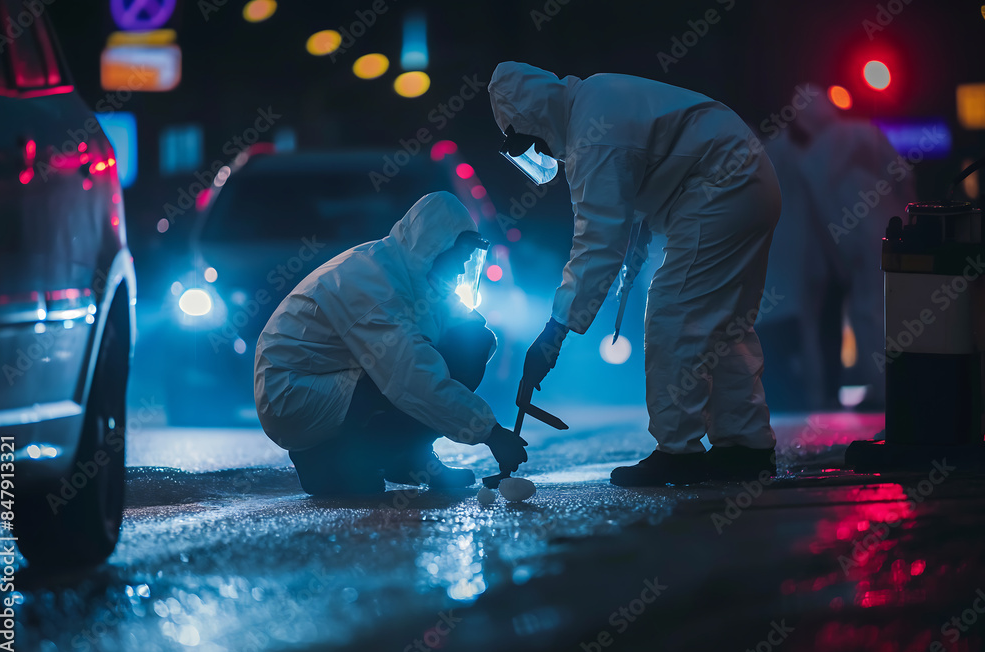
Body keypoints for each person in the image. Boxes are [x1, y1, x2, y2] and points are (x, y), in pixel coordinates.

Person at [488, 61, 782, 485]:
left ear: (534, 118)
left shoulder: (592, 133)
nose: (544, 152)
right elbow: (640, 191)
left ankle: (679, 452)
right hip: (745, 184)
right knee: (722, 327)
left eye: (534, 143)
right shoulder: (594, 102)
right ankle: (745, 449)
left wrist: (554, 332)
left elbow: (596, 241)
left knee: (674, 316)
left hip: (722, 188)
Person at [254, 192, 528, 495]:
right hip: (295, 394)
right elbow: (411, 376)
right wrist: (491, 433)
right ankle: (343, 458)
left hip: (337, 378)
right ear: (436, 246)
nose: (462, 270)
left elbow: (469, 335)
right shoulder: (372, 281)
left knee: (472, 340)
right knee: (361, 475)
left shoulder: (416, 274)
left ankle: (403, 456)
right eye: (459, 259)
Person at [756, 88, 915, 412]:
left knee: (867, 314)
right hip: (895, 229)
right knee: (901, 314)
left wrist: (843, 255)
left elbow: (824, 212)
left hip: (860, 244)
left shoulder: (812, 156)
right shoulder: (866, 131)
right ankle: (903, 390)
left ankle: (886, 394)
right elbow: (904, 176)